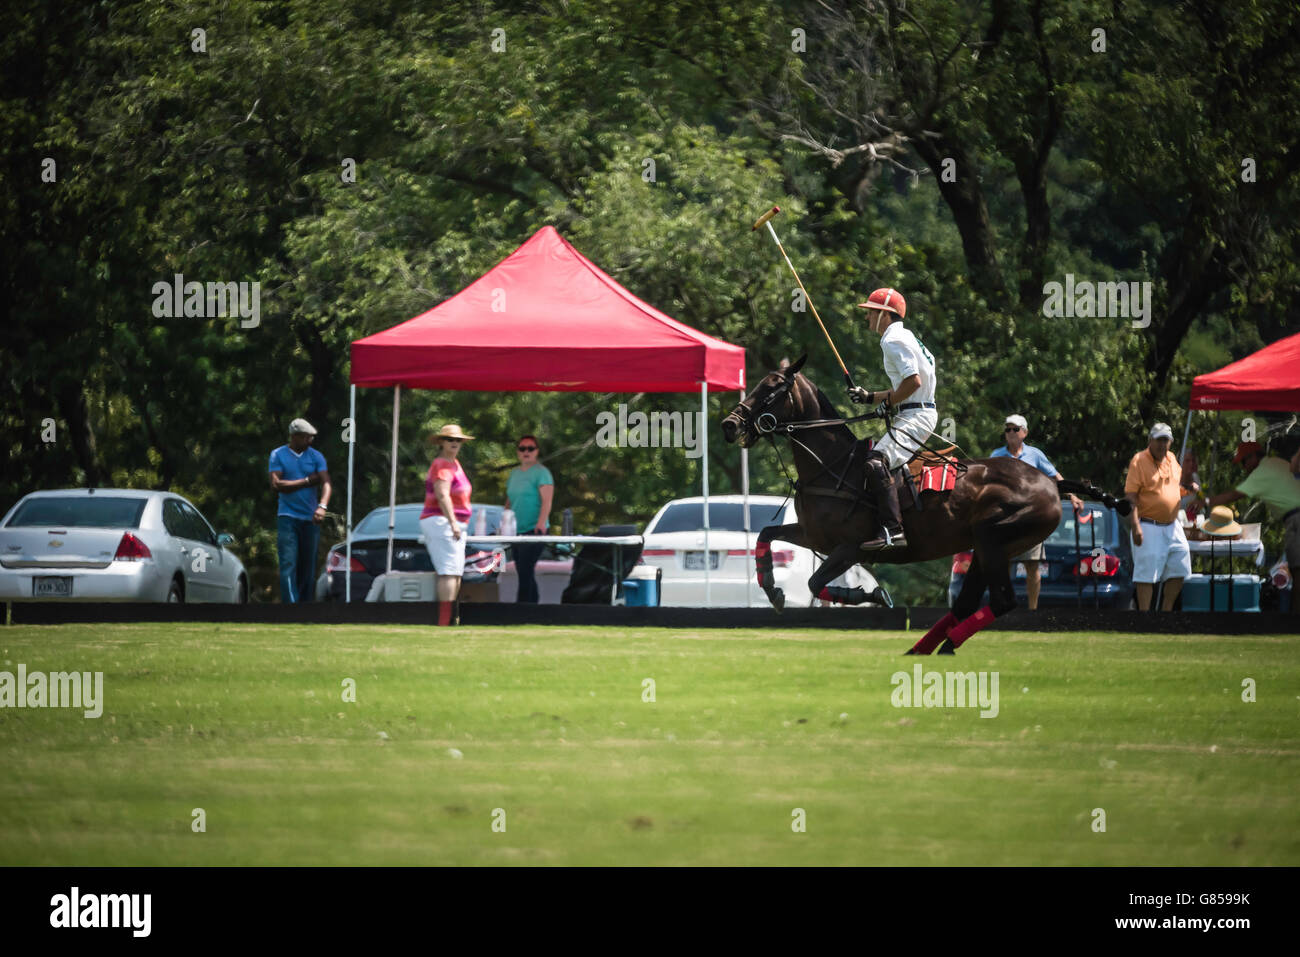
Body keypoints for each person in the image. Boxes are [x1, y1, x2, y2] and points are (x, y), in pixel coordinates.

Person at [848, 287, 937, 552]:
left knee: (876, 462)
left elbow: (913, 382)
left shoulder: (892, 340)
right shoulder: (905, 336)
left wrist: (887, 403)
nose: (867, 319)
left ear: (885, 315)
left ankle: (893, 530)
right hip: (917, 409)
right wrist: (870, 397)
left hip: (917, 413)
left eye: (871, 312)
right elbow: (907, 386)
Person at [989, 414, 1084, 610]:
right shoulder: (996, 455)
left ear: (1024, 432)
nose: (1011, 433)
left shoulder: (1035, 454)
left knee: (1032, 566)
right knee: (1002, 566)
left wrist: (1072, 495)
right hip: (1004, 519)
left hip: (1030, 519)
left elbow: (1055, 476)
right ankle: (1001, 608)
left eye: (1015, 429)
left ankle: (1032, 612)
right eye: (1008, 429)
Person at [1206, 441, 1300, 615]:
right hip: (1294, 517)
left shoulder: (1261, 471)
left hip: (1296, 518)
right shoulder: (1275, 462)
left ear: (1254, 457)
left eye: (1244, 462)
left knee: (1297, 572)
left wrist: (1204, 502)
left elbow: (1235, 494)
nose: (1244, 468)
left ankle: (1294, 623)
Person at [1124, 423, 1196, 610]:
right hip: (1147, 524)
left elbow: (1174, 488)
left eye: (1165, 440)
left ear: (1170, 443)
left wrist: (1186, 489)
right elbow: (1131, 496)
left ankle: (1165, 613)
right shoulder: (1139, 460)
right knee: (1146, 575)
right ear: (1150, 440)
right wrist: (1135, 526)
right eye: (1158, 440)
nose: (1162, 444)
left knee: (1180, 567)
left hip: (1173, 525)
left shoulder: (1171, 459)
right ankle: (1145, 617)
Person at [268, 418, 330, 603]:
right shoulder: (278, 455)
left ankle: (304, 607)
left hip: (310, 518)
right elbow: (277, 484)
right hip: (287, 517)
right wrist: (307, 481)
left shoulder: (316, 456)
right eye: (306, 437)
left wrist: (322, 506)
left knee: (307, 566)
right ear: (294, 437)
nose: (309, 441)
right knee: (288, 562)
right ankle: (290, 606)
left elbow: (326, 482)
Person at [419, 424, 474, 625]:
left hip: (455, 523)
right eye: (450, 439)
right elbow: (442, 495)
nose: (455, 443)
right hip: (442, 521)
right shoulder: (441, 464)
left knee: (456, 572)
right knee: (449, 572)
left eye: (458, 440)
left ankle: (453, 617)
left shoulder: (455, 464)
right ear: (441, 442)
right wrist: (453, 523)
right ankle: (444, 621)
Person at [504, 434, 555, 603]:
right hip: (516, 530)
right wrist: (505, 521)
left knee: (526, 569)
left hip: (534, 529)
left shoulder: (542, 473)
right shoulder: (514, 474)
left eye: (530, 448)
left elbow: (547, 501)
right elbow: (510, 500)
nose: (526, 452)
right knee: (522, 570)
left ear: (537, 451)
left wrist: (541, 523)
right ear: (518, 452)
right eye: (522, 448)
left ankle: (523, 607)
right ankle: (532, 607)